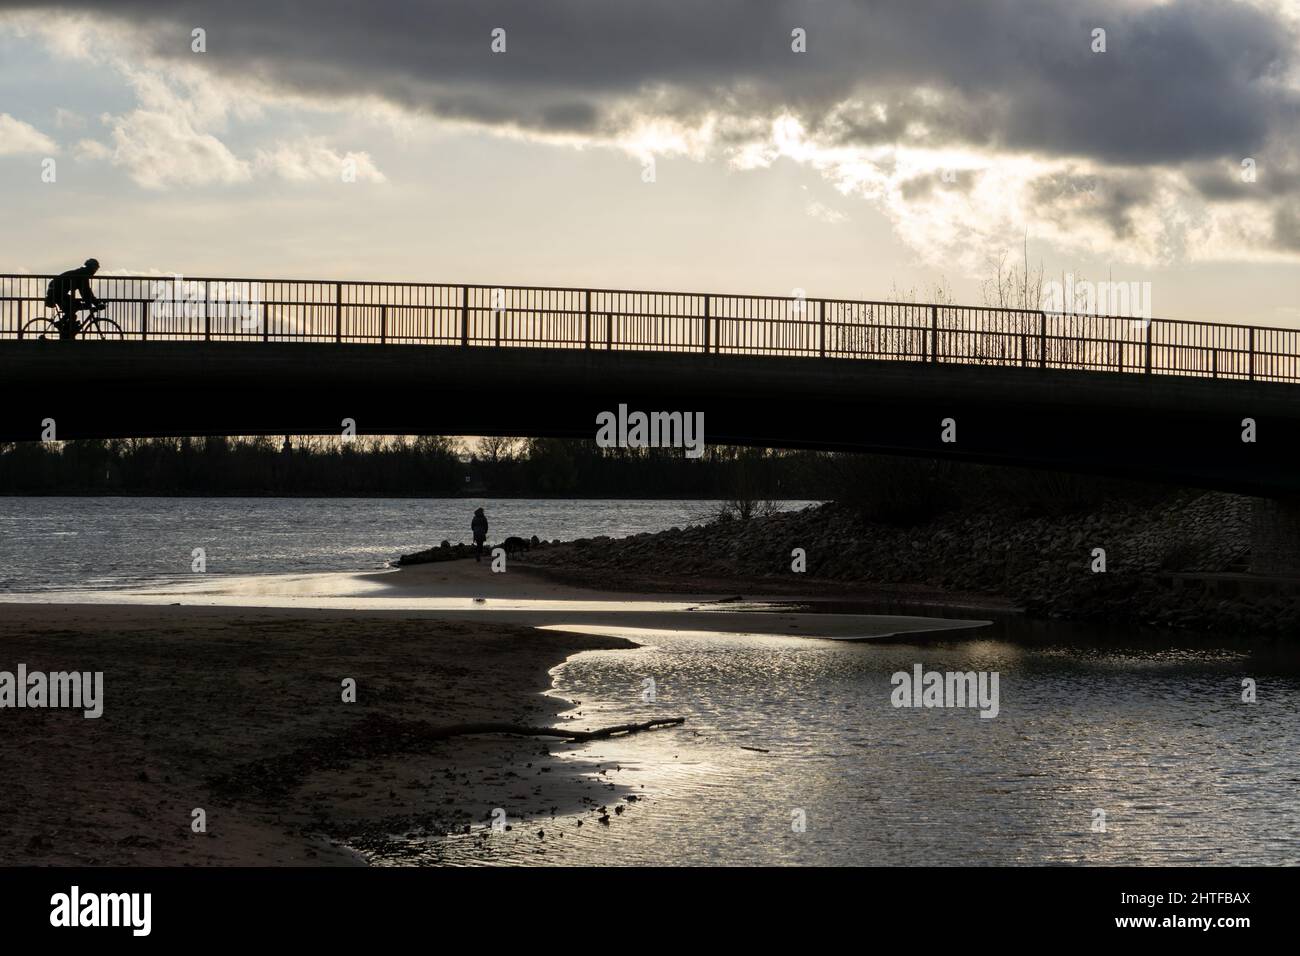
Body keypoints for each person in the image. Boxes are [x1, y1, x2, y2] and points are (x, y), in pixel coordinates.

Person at [45, 259, 105, 338]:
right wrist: (96, 303)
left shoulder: (82, 273)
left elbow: (85, 292)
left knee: (73, 310)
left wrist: (94, 302)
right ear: (91, 268)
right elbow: (86, 291)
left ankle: (65, 329)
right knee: (74, 307)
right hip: (56, 292)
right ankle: (62, 326)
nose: (95, 271)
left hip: (56, 291)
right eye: (95, 268)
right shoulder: (82, 274)